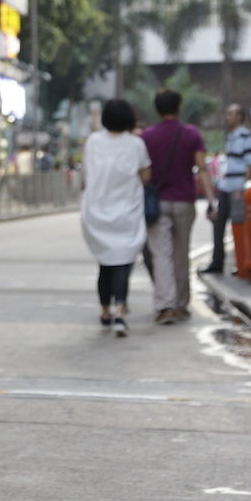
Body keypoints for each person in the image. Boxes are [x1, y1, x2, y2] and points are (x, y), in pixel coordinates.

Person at [141, 90, 217, 324]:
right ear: (179, 107)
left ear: (157, 109)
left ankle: (166, 306)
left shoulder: (147, 136)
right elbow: (202, 168)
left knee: (161, 254)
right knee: (181, 253)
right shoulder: (191, 133)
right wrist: (212, 200)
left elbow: (143, 173)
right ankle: (181, 304)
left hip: (157, 203)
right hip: (184, 201)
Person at [81, 99, 151, 337]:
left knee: (105, 263)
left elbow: (86, 173)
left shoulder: (93, 141)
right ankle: (120, 310)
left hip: (97, 210)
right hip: (127, 212)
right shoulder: (136, 144)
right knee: (123, 262)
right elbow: (146, 175)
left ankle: (105, 310)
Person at [201, 104, 251, 274]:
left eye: (231, 114)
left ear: (240, 117)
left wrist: (245, 187)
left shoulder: (246, 136)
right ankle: (218, 261)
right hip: (226, 186)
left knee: (239, 225)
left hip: (238, 188)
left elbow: (250, 164)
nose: (227, 117)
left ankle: (242, 262)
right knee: (218, 222)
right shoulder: (230, 136)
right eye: (227, 114)